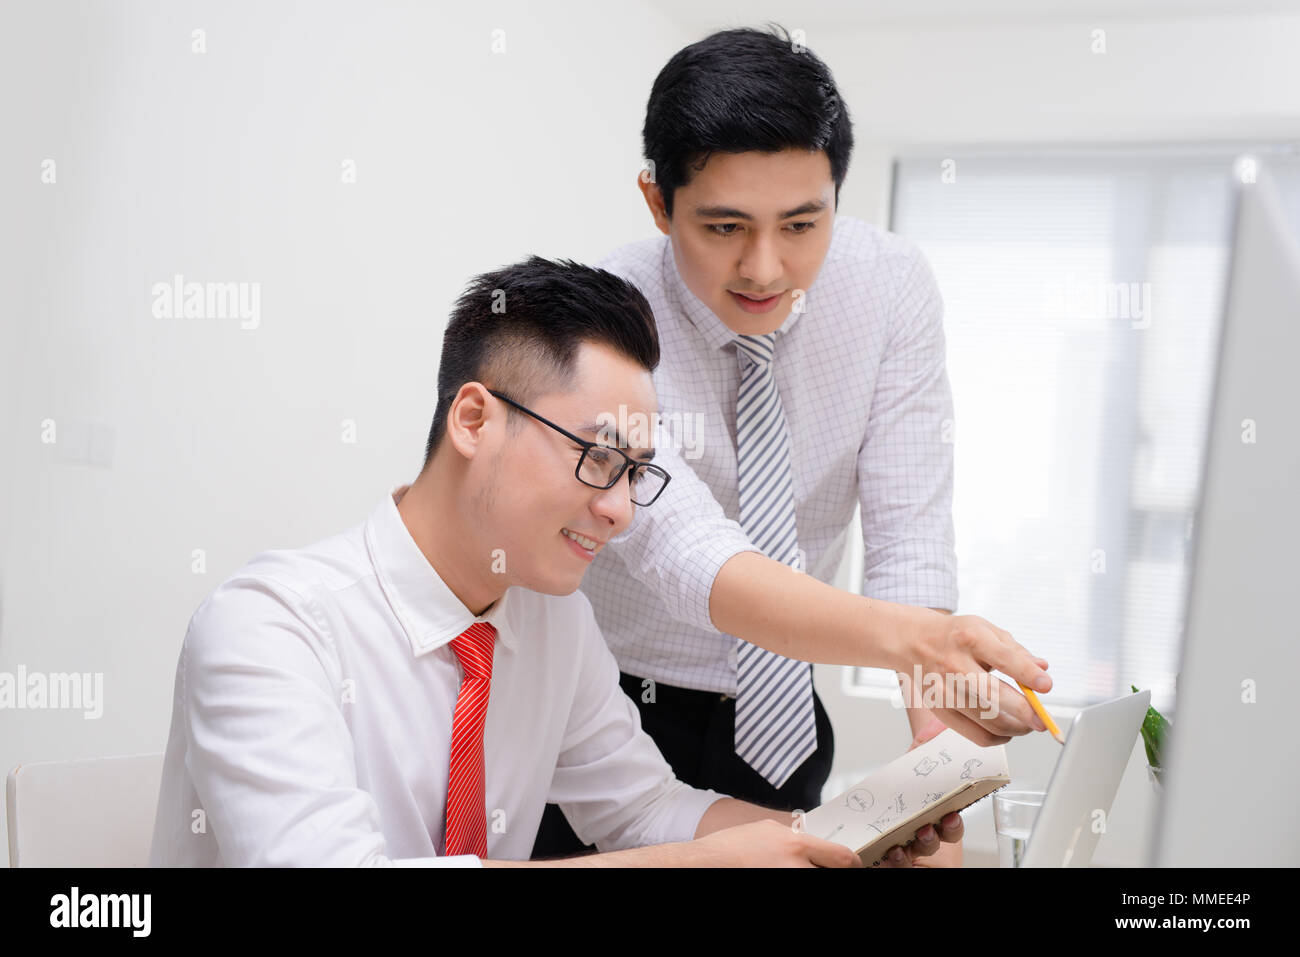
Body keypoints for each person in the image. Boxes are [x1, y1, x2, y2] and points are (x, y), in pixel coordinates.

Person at [148, 255, 958, 867]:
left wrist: (841, 838)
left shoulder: (552, 620)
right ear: (474, 419)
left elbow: (643, 809)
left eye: (637, 472)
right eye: (599, 457)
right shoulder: (270, 628)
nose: (619, 508)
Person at [531, 26, 1052, 864]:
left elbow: (910, 541)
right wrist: (913, 642)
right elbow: (688, 550)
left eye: (803, 223)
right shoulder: (609, 314)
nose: (765, 267)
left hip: (785, 719)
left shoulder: (889, 287)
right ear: (658, 202)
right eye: (725, 226)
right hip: (608, 716)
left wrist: (934, 748)